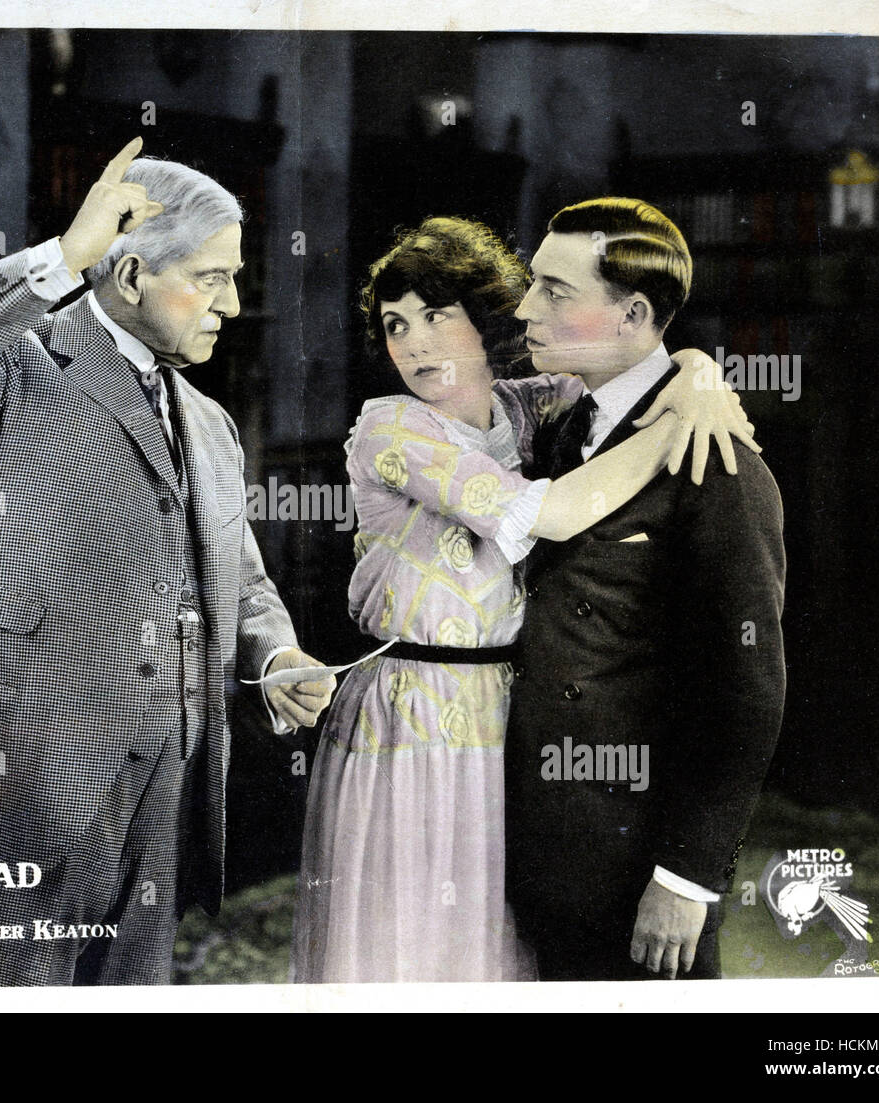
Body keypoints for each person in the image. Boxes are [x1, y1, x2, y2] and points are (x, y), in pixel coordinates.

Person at [0, 139, 337, 986]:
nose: (234, 302)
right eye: (212, 277)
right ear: (127, 276)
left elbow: (243, 578)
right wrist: (64, 257)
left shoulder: (210, 422)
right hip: (26, 778)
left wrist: (275, 653)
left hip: (177, 777)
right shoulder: (19, 361)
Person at [291, 217, 754, 983]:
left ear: (484, 320)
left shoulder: (533, 406)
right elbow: (552, 514)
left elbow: (640, 362)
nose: (415, 342)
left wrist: (699, 371)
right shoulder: (391, 428)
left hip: (507, 714)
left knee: (496, 946)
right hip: (407, 713)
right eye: (397, 325)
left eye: (437, 315)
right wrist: (680, 419)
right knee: (403, 946)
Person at [505, 197, 787, 981]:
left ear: (632, 312)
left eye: (555, 291)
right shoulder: (561, 431)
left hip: (635, 870)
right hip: (538, 846)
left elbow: (750, 687)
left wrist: (687, 877)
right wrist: (696, 366)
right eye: (534, 284)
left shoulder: (720, 462)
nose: (527, 307)